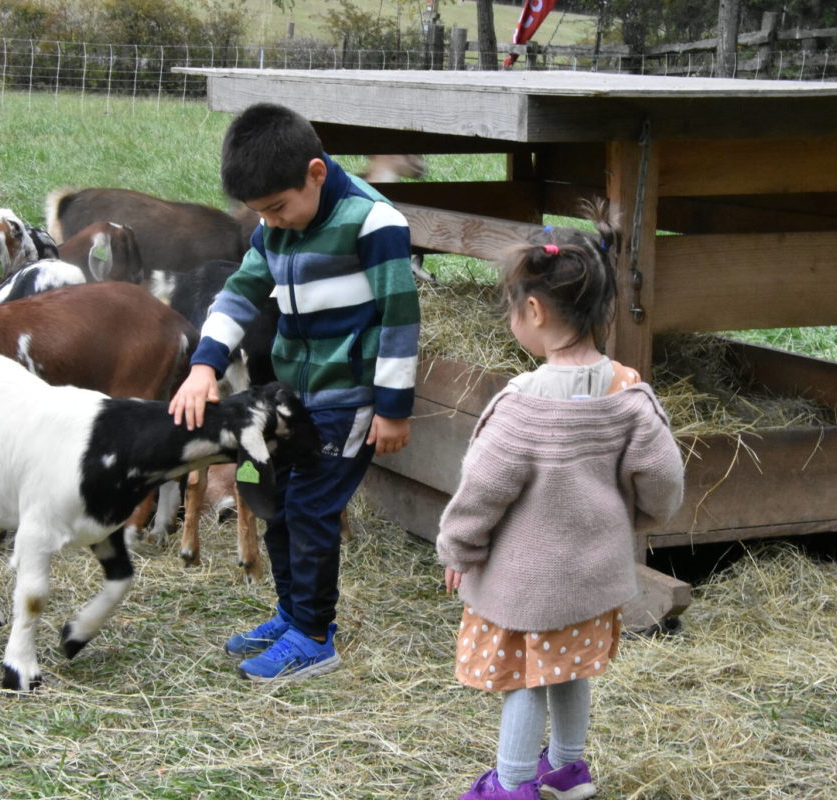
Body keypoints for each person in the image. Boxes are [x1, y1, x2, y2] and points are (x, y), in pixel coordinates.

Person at [436, 205, 686, 800]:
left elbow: (482, 492)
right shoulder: (629, 393)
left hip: (528, 587)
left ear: (535, 310)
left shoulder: (522, 405)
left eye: (509, 309)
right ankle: (568, 769)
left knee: (526, 679)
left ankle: (513, 784)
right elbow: (664, 480)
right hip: (594, 577)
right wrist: (633, 519)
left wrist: (458, 549)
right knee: (571, 668)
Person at [170, 102, 419, 681]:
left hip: (347, 399)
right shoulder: (274, 230)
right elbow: (239, 293)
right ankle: (291, 613)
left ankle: (313, 636)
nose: (272, 223)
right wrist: (205, 365)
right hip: (289, 396)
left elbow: (400, 320)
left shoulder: (373, 224)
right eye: (261, 214)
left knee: (309, 511)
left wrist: (393, 409)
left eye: (278, 208)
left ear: (315, 172)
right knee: (276, 502)